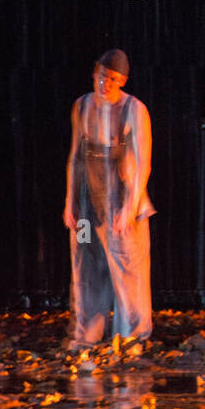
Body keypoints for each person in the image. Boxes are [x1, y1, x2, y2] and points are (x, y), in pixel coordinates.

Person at [63, 49, 155, 348]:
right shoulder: (82, 106)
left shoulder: (134, 109)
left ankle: (133, 338)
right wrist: (70, 201)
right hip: (90, 196)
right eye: (102, 77)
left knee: (128, 270)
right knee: (87, 267)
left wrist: (129, 207)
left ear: (123, 81)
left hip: (123, 196)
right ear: (94, 74)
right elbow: (76, 157)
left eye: (113, 79)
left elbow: (143, 162)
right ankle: (87, 335)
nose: (105, 84)